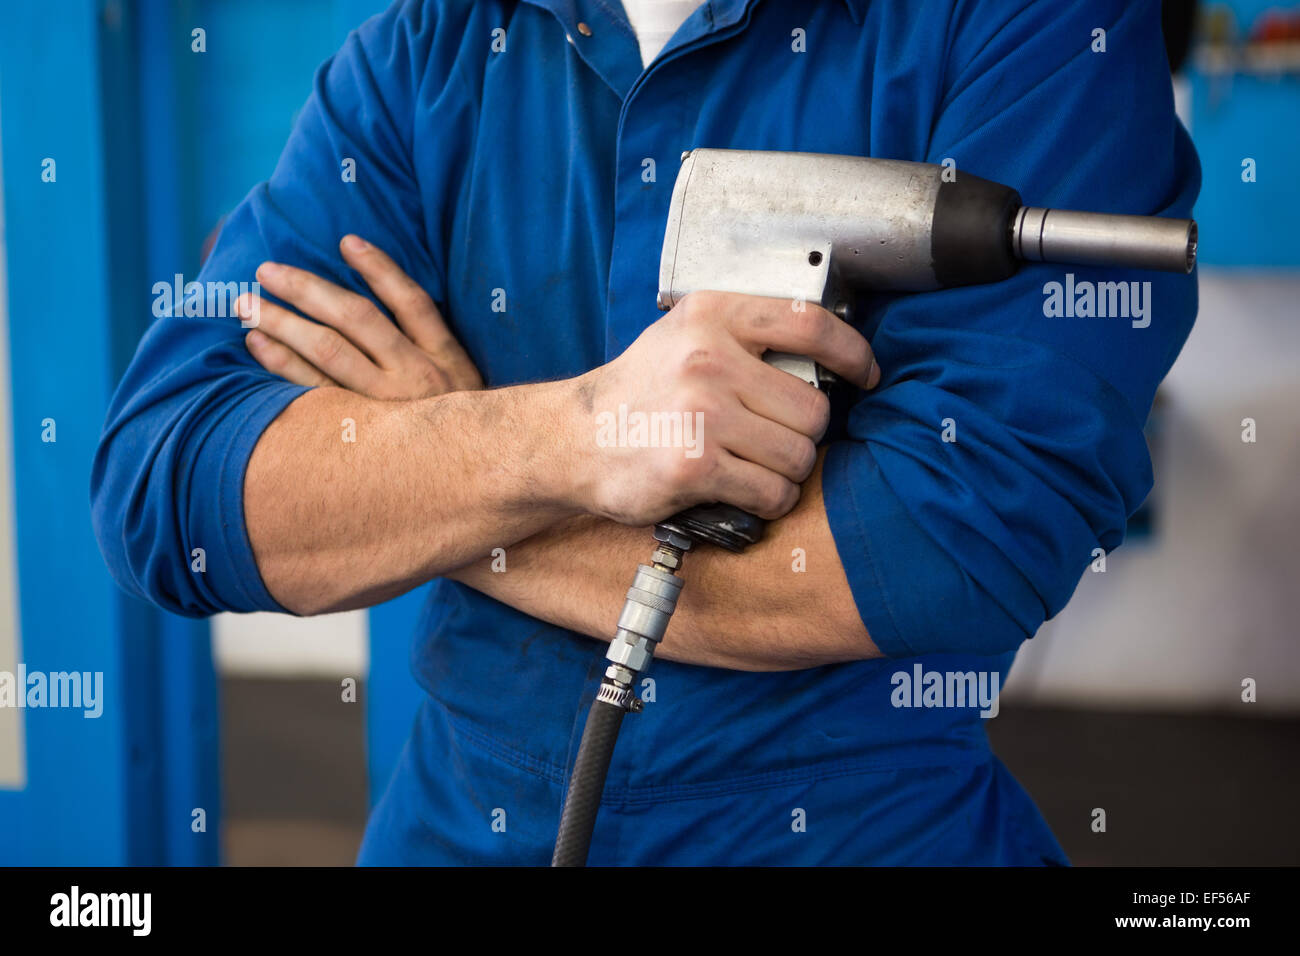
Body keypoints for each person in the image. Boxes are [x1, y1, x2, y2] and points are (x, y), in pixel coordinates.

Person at [92, 0, 1200, 864]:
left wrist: (441, 450)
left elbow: (957, 541)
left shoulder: (1027, 26)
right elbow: (166, 490)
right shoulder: (427, 52)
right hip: (455, 825)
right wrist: (570, 437)